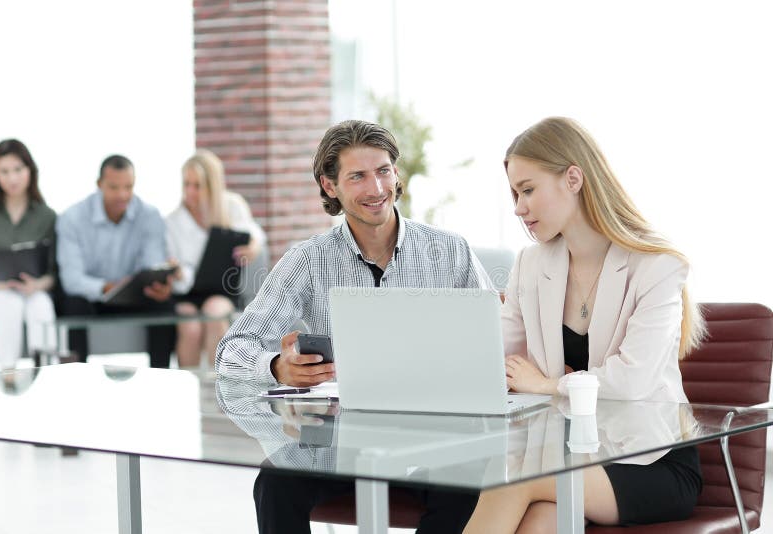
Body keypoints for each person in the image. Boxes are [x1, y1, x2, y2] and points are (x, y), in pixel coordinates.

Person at [216, 120, 493, 534]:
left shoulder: (449, 251)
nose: (376, 188)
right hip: (341, 448)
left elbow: (494, 335)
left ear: (396, 173)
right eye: (358, 176)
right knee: (274, 485)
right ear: (331, 186)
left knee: (469, 483)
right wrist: (276, 366)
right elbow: (232, 348)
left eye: (383, 171)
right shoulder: (308, 260)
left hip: (436, 442)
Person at [462, 117, 705, 533]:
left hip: (651, 463)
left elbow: (632, 382)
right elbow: (497, 353)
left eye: (528, 190)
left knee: (512, 483)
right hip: (566, 457)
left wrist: (546, 384)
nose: (519, 208)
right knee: (535, 521)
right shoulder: (532, 264)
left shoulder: (658, 266)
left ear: (573, 178)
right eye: (515, 194)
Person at [55, 155, 176, 368]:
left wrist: (158, 285)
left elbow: (152, 264)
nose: (122, 195)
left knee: (163, 303)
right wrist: (107, 287)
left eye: (128, 187)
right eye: (114, 187)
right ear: (99, 185)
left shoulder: (150, 216)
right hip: (92, 297)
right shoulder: (72, 218)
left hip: (133, 295)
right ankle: (77, 381)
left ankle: (160, 379)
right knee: (73, 304)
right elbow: (72, 279)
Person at [166, 149, 266, 368]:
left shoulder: (232, 206)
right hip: (187, 293)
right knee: (190, 326)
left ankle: (217, 391)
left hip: (222, 290)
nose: (190, 192)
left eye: (197, 185)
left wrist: (253, 247)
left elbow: (255, 233)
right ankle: (190, 390)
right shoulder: (173, 222)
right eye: (186, 184)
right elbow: (176, 267)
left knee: (214, 314)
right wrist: (177, 271)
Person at [0, 139, 57, 370]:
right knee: (8, 302)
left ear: (30, 170)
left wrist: (37, 285)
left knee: (41, 303)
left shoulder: (46, 215)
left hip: (30, 291)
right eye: (4, 171)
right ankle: (8, 375)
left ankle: (45, 372)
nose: (12, 178)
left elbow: (53, 272)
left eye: (18, 170)